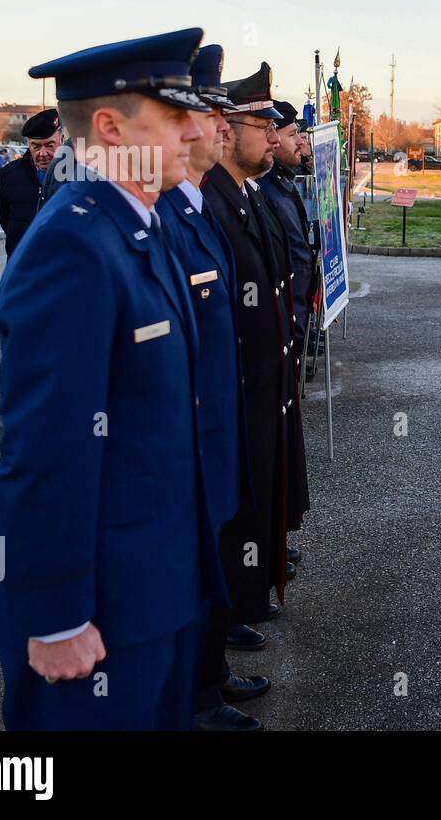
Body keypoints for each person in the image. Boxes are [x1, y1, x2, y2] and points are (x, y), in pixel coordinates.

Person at [0, 30, 225, 729]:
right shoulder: (73, 243)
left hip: (160, 589)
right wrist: (57, 612)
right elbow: (46, 449)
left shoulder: (139, 228)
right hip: (101, 615)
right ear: (109, 128)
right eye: (173, 115)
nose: (197, 128)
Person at [155, 45, 269, 731]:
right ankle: (193, 695)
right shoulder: (158, 216)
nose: (214, 129)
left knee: (207, 573)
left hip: (214, 438)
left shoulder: (190, 210)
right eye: (200, 114)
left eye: (217, 116)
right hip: (180, 452)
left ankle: (205, 681)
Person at [201, 62, 301, 647]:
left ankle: (246, 590)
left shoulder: (245, 194)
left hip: (262, 378)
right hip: (236, 386)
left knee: (258, 491)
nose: (271, 134)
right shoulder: (210, 201)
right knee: (235, 501)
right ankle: (232, 604)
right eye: (260, 123)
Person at [258, 101, 317, 350]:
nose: (301, 143)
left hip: (295, 325)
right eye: (293, 135)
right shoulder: (267, 191)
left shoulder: (283, 183)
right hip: (285, 328)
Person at [0, 108, 63, 257]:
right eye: (36, 146)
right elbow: (5, 219)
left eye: (49, 145)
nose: (43, 153)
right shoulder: (10, 174)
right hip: (22, 266)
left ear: (62, 140)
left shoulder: (79, 175)